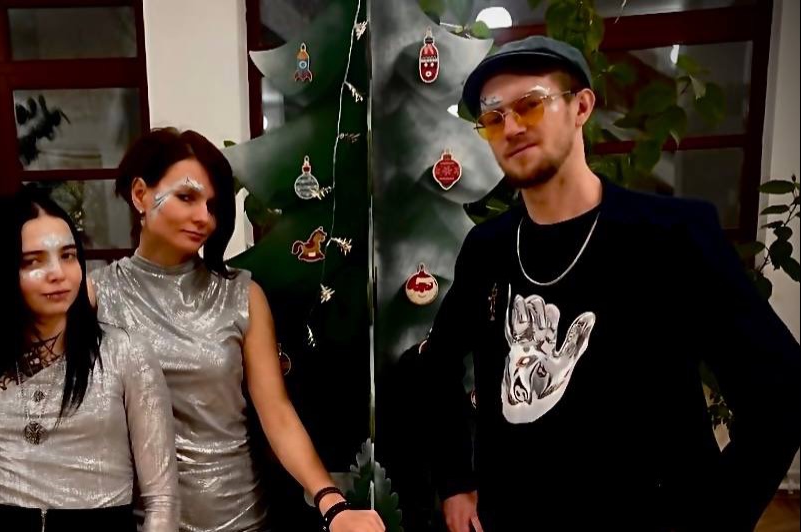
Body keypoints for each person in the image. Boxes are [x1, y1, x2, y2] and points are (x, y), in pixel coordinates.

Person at [425, 35, 801, 531]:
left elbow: (782, 390)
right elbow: (438, 366)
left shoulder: (672, 236)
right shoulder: (488, 248)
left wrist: (715, 519)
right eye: (494, 118)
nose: (511, 127)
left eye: (530, 105)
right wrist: (455, 479)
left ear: (581, 106)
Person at [90, 128, 385, 532]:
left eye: (213, 205)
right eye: (187, 197)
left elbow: (277, 413)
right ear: (140, 194)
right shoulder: (97, 296)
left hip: (239, 517)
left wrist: (332, 504)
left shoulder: (241, 295)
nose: (204, 218)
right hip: (140, 519)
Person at [0, 187, 179, 532]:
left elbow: (161, 499)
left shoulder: (125, 352)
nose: (58, 273)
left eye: (67, 256)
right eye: (32, 261)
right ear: (1, 272)